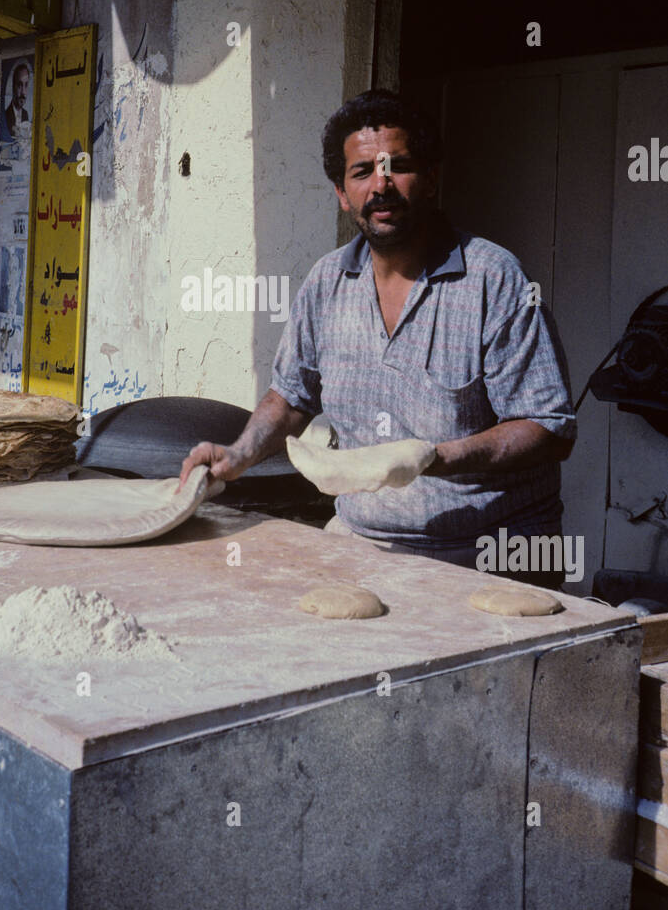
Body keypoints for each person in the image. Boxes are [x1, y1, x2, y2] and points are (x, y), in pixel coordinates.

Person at [178, 89, 577, 588]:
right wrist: (239, 454)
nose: (381, 186)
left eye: (399, 166)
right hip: (364, 540)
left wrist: (432, 458)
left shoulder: (495, 279)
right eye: (362, 172)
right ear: (343, 195)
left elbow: (547, 427)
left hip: (489, 553)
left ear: (431, 178)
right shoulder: (327, 282)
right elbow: (291, 396)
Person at [4, 63, 31, 141]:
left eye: (25, 85)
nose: (23, 92)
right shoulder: (6, 116)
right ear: (13, 86)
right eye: (19, 85)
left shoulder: (25, 115)